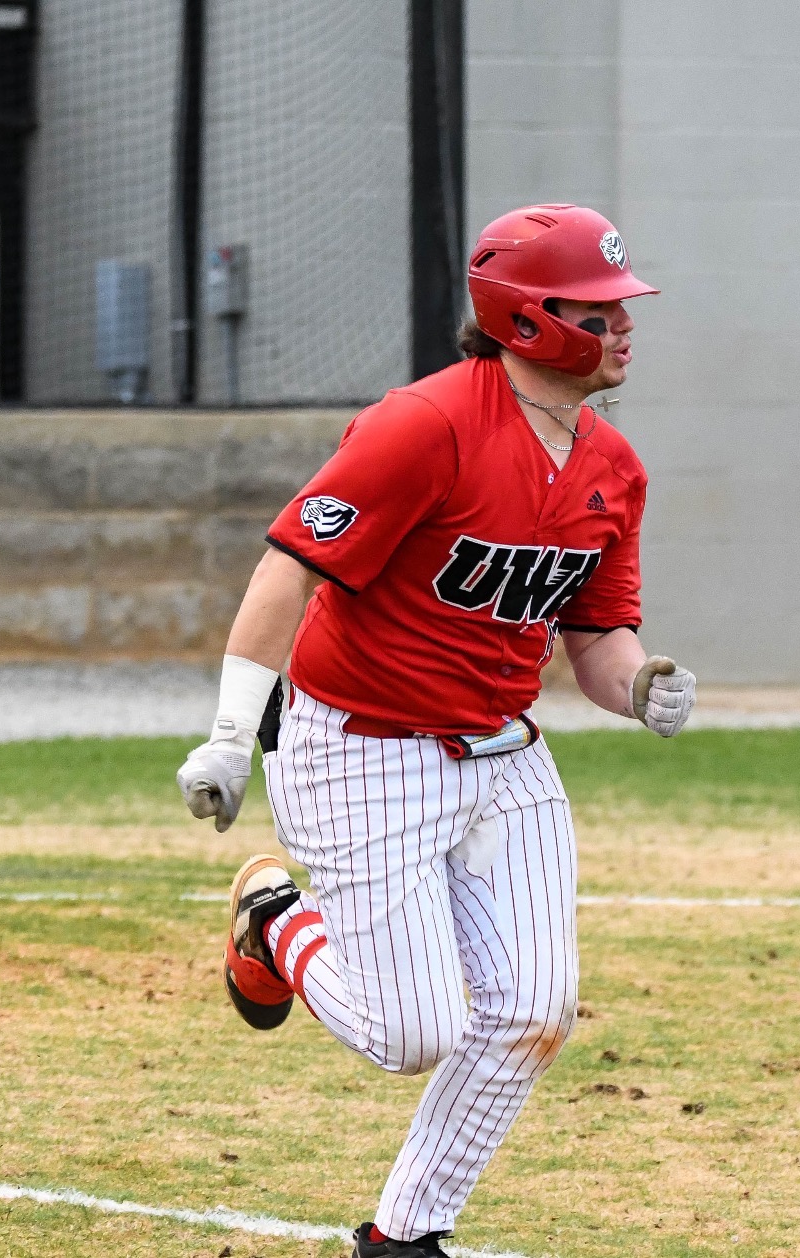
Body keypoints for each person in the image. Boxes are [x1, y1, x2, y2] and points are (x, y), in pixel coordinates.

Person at [174, 204, 696, 1258]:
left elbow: (595, 640)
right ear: (525, 319)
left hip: (500, 754)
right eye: (596, 309)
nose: (623, 325)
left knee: (532, 1010)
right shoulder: (425, 424)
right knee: (411, 1033)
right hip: (359, 741)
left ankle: (403, 1234)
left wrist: (638, 684)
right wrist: (232, 733)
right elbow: (290, 566)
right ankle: (274, 921)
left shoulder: (613, 467)